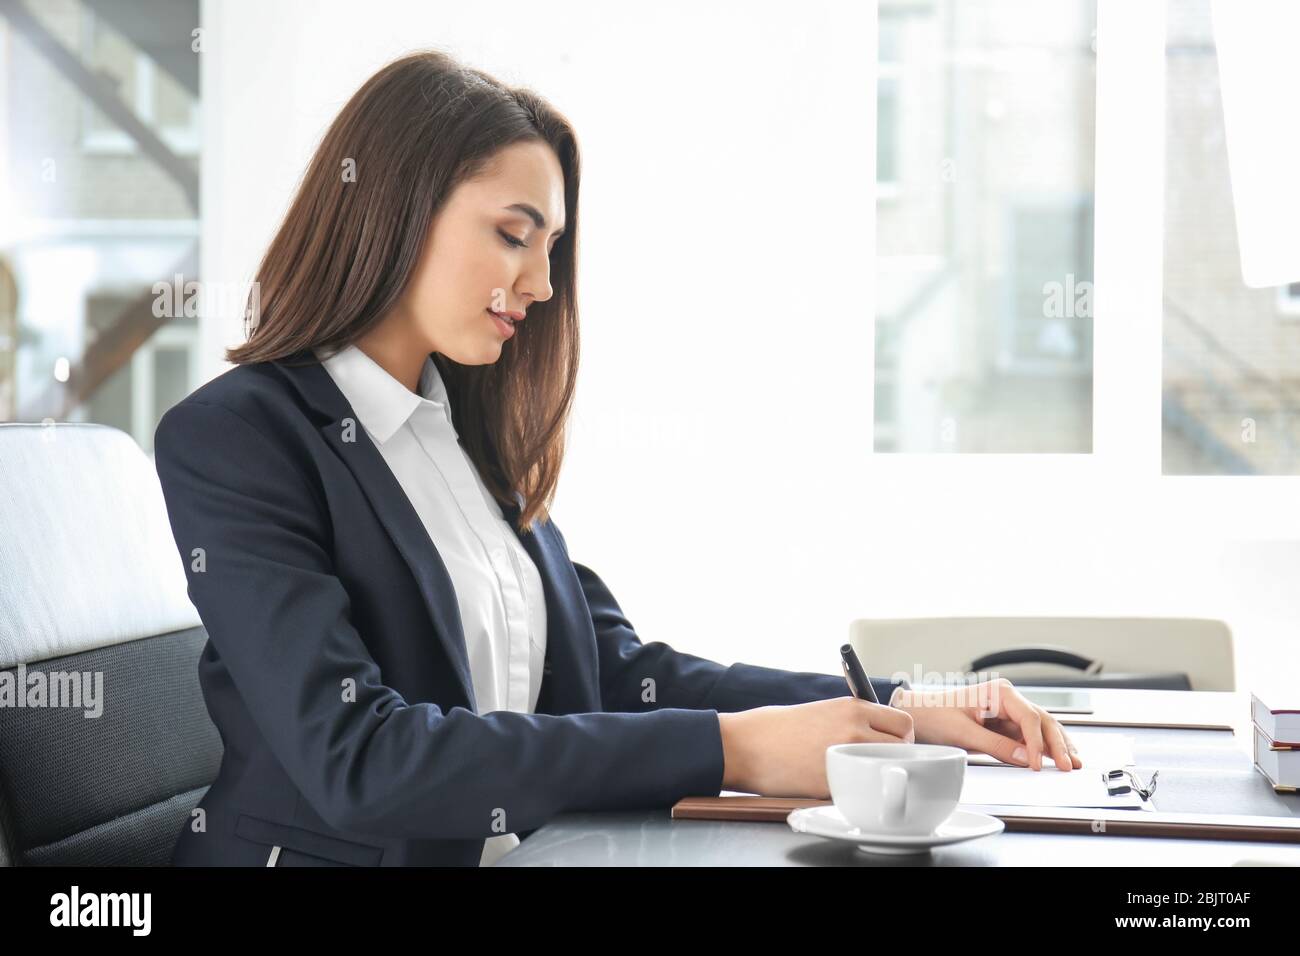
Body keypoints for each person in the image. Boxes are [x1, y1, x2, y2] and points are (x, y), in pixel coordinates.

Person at [153, 49, 1080, 868]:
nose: (543, 284)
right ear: (397, 205)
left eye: (550, 248)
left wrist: (897, 711)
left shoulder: (464, 437)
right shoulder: (240, 437)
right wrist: (736, 750)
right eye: (514, 235)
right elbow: (360, 758)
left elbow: (620, 674)